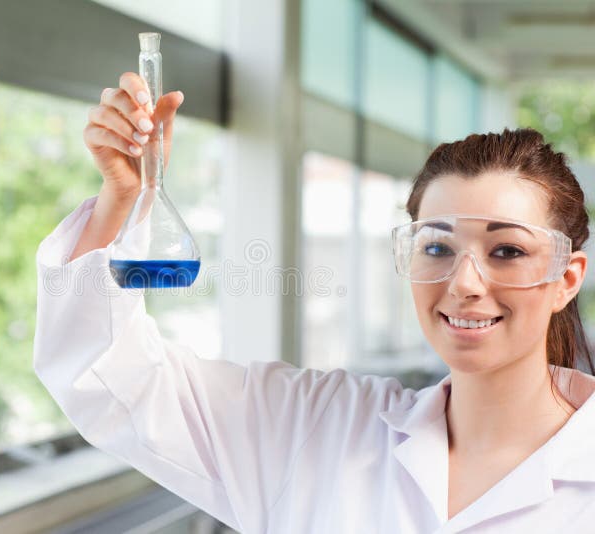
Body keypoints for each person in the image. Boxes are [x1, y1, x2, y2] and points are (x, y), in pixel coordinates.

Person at [33, 72, 595, 533]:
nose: (466, 282)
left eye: (507, 250)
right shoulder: (315, 429)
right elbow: (109, 374)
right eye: (437, 246)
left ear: (567, 278)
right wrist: (123, 200)